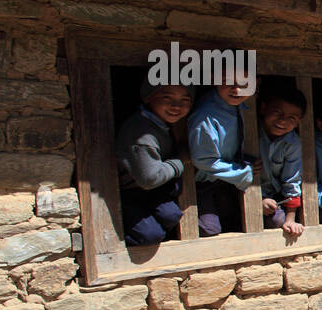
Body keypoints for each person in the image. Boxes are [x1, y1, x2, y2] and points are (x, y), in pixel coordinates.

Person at [115, 80, 193, 246]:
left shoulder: (162, 124)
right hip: (128, 192)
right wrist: (179, 162)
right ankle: (120, 239)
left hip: (148, 191)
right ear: (148, 97)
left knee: (172, 215)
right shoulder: (141, 134)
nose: (176, 106)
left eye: (185, 100)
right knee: (151, 235)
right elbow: (149, 178)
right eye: (167, 98)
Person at [189, 74, 258, 237]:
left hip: (224, 180)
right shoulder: (206, 115)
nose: (237, 89)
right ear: (213, 79)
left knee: (233, 219)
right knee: (209, 229)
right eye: (228, 82)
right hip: (202, 182)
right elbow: (204, 160)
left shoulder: (237, 105)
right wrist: (244, 171)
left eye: (245, 83)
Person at [258, 85, 306, 237]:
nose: (283, 121)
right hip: (245, 192)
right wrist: (257, 199)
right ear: (263, 108)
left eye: (291, 118)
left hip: (274, 196)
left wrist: (290, 220)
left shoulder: (293, 143)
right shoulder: (249, 133)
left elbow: (292, 180)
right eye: (277, 112)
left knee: (278, 221)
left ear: (298, 122)